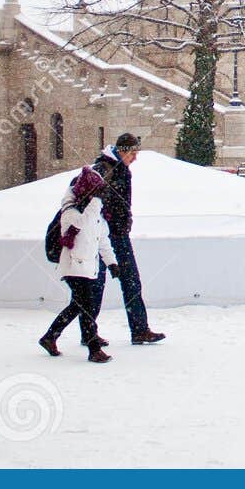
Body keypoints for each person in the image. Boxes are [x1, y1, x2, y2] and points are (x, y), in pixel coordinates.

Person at [40, 166, 121, 363]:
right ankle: (93, 348)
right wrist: (96, 202)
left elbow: (102, 241)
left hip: (88, 267)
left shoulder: (96, 215)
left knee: (78, 306)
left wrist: (112, 263)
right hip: (73, 266)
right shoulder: (69, 212)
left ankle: (50, 337)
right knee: (86, 306)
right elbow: (79, 224)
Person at [95, 133, 166, 345]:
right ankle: (134, 330)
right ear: (123, 151)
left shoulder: (116, 168)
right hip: (106, 235)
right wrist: (115, 221)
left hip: (114, 234)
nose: (135, 158)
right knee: (104, 282)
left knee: (114, 282)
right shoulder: (106, 169)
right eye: (133, 153)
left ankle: (138, 329)